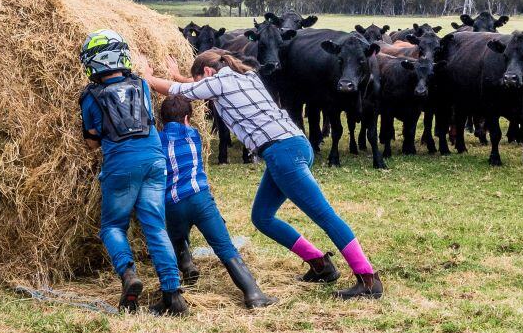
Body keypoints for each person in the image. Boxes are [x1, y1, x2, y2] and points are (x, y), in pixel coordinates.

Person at [147, 49, 383, 298]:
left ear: (207, 72)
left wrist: (148, 77)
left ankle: (368, 280)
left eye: (201, 80)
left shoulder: (220, 82)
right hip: (292, 146)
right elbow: (196, 87)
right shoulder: (246, 76)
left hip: (283, 154)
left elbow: (178, 91)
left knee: (325, 216)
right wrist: (179, 76)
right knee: (262, 217)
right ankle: (320, 265)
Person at [78, 29, 185, 315]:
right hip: (154, 160)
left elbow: (91, 142)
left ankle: (128, 275)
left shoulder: (90, 96)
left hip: (121, 165)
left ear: (93, 63)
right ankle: (173, 296)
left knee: (113, 226)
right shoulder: (141, 85)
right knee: (155, 226)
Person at [158, 92, 277, 309]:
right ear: (187, 119)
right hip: (201, 199)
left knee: (176, 237)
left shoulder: (156, 140)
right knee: (224, 247)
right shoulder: (194, 134)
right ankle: (253, 294)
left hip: (172, 203)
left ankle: (185, 264)